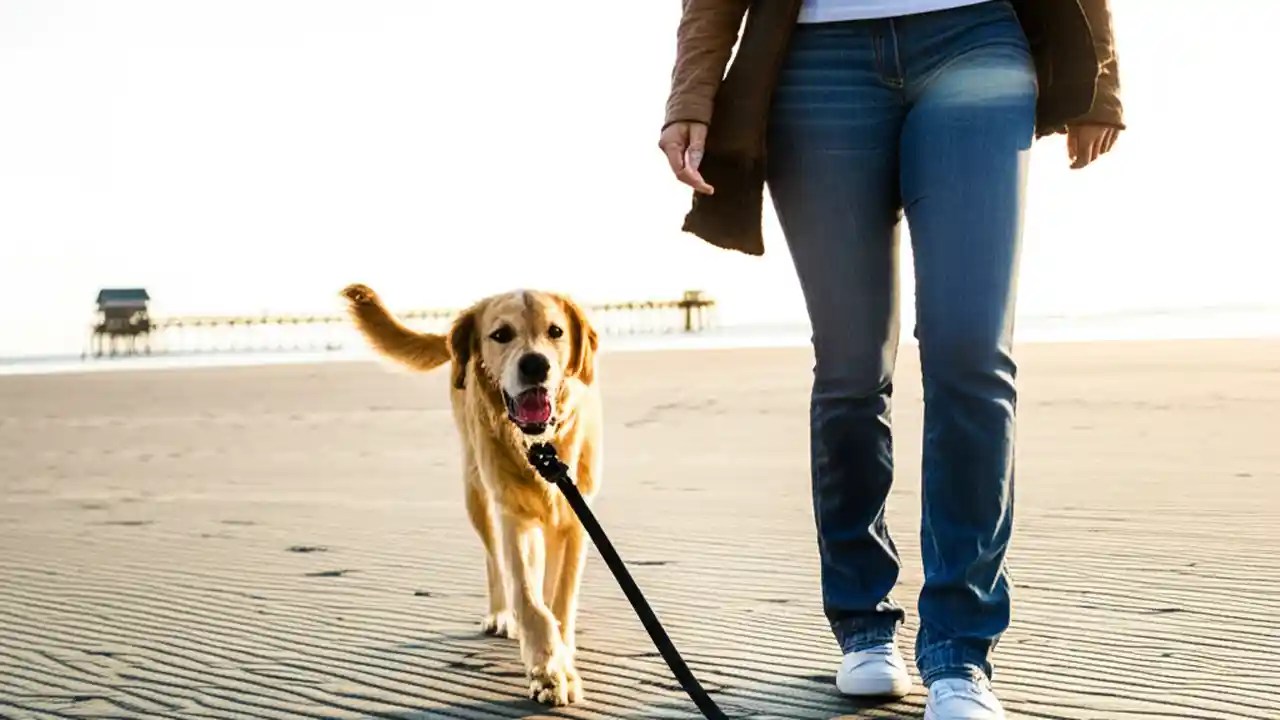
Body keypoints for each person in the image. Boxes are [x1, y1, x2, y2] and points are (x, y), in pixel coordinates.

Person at [659, 1, 1123, 718]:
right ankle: (863, 624)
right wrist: (691, 92)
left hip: (976, 39)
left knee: (971, 354)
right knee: (849, 370)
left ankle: (960, 655)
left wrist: (1105, 77)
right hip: (814, 62)